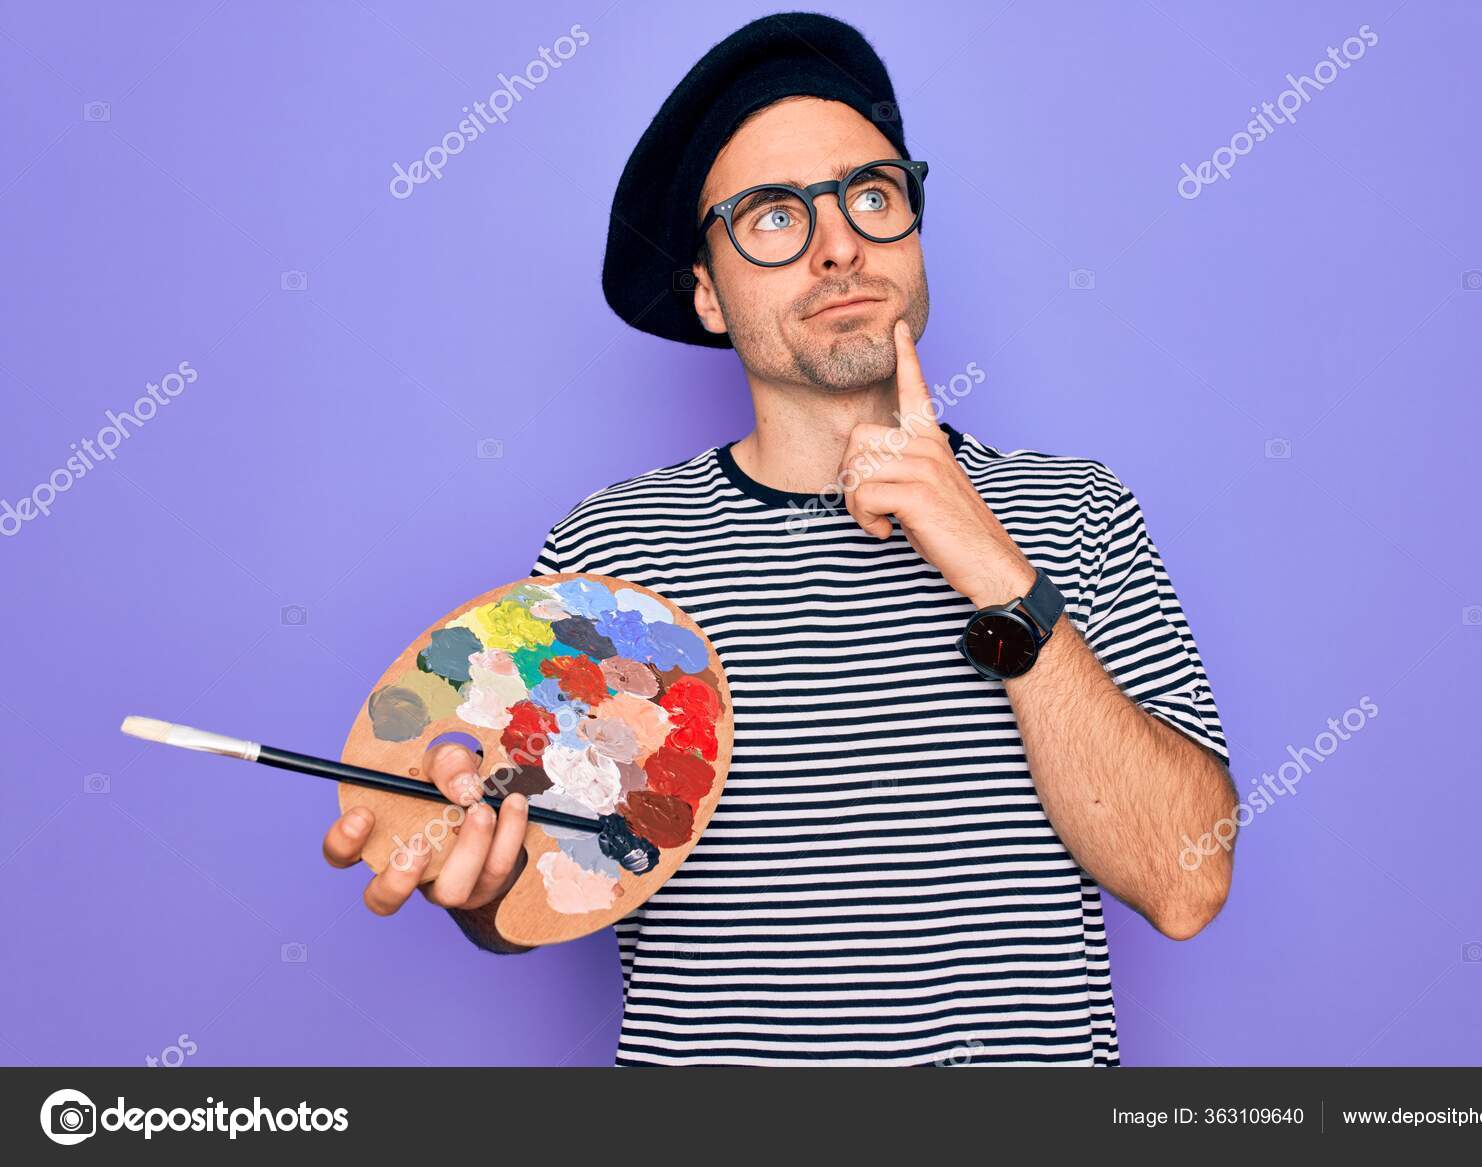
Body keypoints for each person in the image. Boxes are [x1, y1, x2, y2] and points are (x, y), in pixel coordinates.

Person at [322, 11, 1237, 1066]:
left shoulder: (1074, 511)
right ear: (709, 295)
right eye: (771, 216)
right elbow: (545, 879)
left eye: (872, 195)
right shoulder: (614, 548)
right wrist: (478, 878)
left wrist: (995, 572)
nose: (840, 244)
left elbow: (1184, 883)